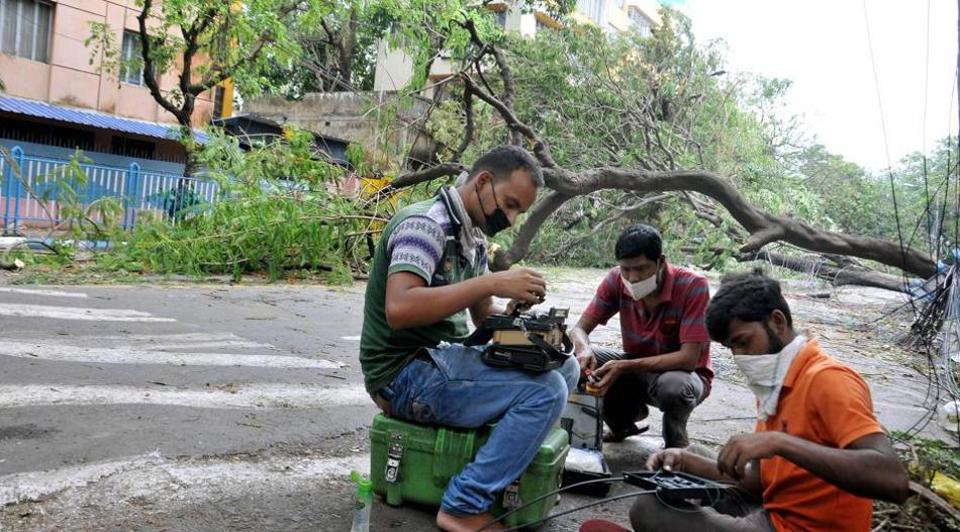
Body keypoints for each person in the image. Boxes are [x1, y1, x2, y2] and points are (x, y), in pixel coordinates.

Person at [359, 145, 580, 532]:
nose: (510, 219)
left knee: (564, 367)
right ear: (482, 182)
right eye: (510, 204)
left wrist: (523, 323)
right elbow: (400, 308)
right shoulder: (425, 226)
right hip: (403, 376)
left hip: (443, 362)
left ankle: (498, 468)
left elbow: (482, 317)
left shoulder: (471, 236)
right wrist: (494, 279)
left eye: (518, 212)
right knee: (545, 392)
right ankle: (463, 504)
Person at [631, 270, 909, 531]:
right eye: (732, 348)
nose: (740, 356)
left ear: (777, 321)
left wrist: (779, 442)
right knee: (693, 454)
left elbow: (893, 481)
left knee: (649, 510)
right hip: (773, 508)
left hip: (798, 526)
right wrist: (686, 463)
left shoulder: (830, 380)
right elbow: (761, 484)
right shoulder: (776, 379)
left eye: (743, 341)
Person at [569, 224, 712, 447]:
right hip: (637, 370)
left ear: (661, 261)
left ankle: (676, 442)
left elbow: (688, 359)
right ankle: (622, 424)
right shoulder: (616, 280)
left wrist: (624, 366)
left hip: (683, 375)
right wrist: (583, 349)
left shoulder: (693, 286)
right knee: (577, 364)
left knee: (673, 386)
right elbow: (578, 330)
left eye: (641, 269)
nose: (633, 277)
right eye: (626, 269)